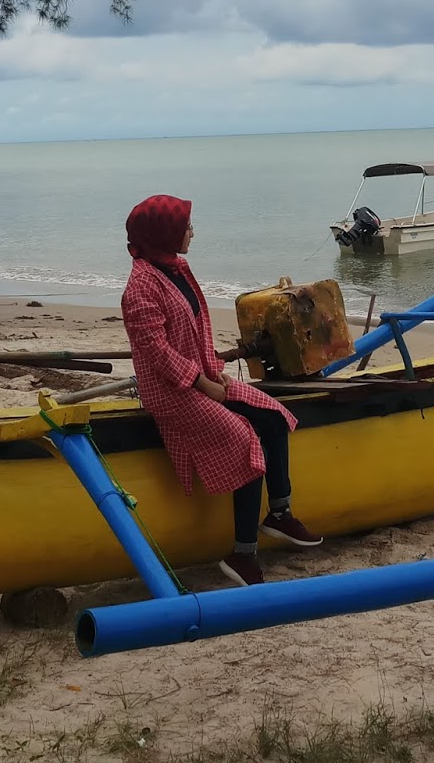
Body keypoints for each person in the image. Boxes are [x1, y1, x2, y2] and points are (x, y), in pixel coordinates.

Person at [120, 194, 322, 586]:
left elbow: (197, 330)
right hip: (171, 392)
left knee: (271, 416)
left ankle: (279, 513)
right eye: (186, 227)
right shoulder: (140, 288)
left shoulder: (177, 267)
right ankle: (243, 555)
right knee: (244, 439)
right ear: (163, 233)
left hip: (203, 377)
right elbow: (157, 352)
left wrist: (215, 374)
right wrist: (204, 385)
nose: (192, 233)